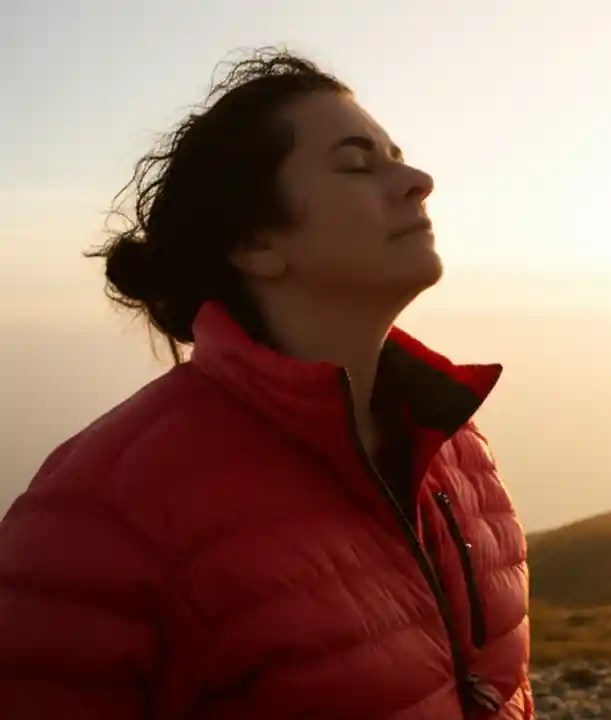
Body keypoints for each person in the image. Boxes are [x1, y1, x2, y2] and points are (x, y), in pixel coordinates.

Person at [0, 48, 533, 719]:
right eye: (356, 164)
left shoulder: (457, 449)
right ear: (257, 244)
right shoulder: (102, 510)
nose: (418, 180)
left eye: (398, 156)